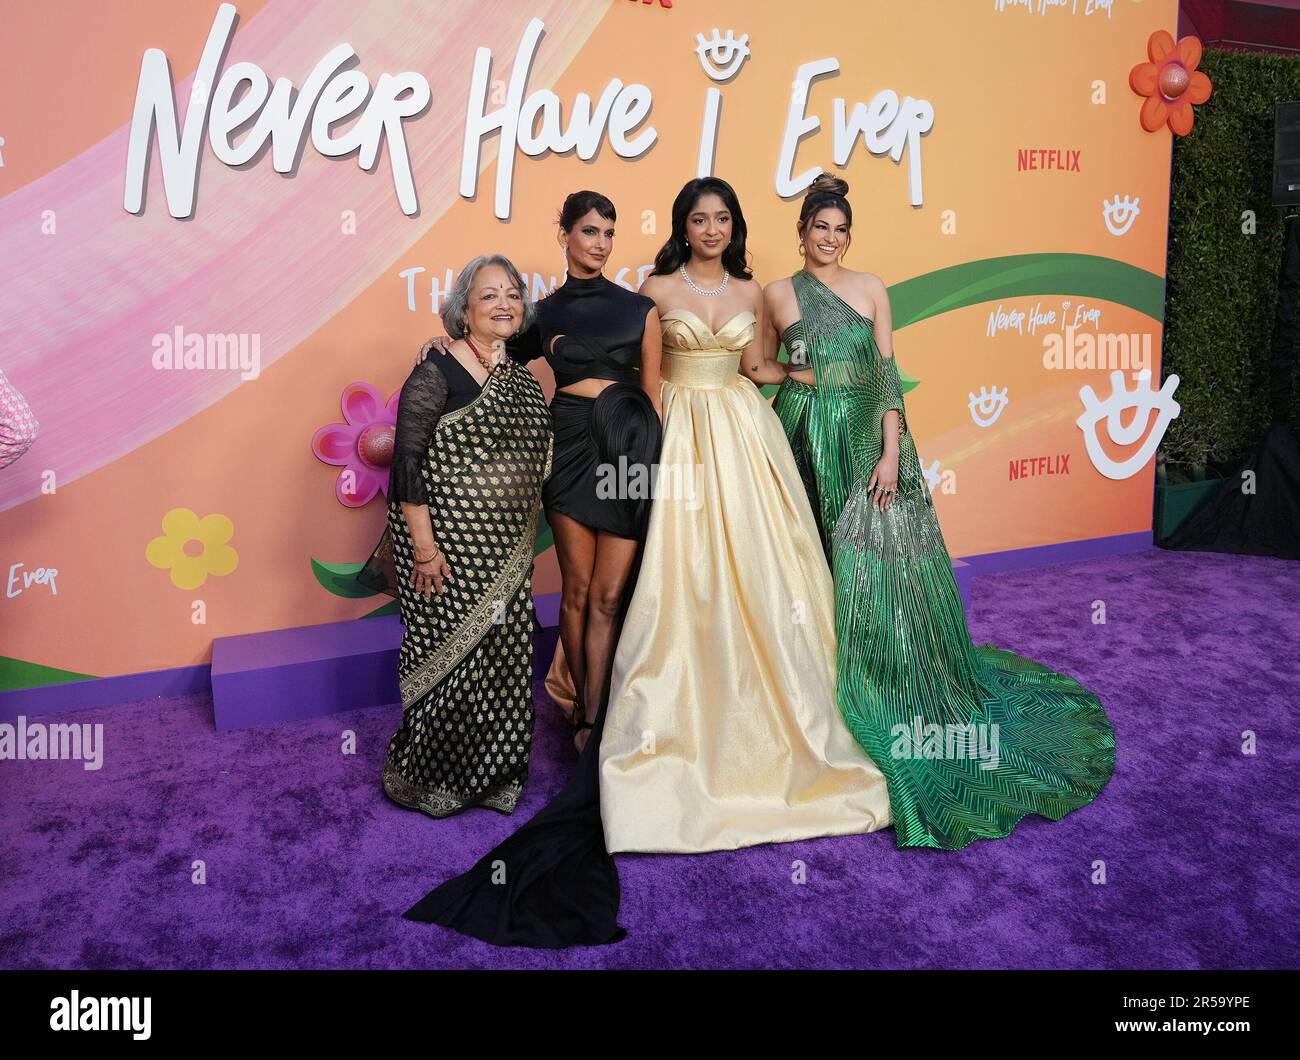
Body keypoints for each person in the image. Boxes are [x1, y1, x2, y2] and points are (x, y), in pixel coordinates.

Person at [766, 173, 1116, 850]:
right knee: (814, 565)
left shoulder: (870, 288)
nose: (830, 240)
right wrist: (805, 379)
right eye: (820, 228)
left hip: (870, 435)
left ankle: (896, 686)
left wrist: (892, 452)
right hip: (806, 435)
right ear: (802, 230)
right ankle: (819, 694)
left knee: (885, 572)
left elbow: (886, 375)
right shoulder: (776, 295)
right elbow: (759, 365)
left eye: (841, 230)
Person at [597, 176, 891, 854]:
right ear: (683, 225)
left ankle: (789, 729)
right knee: (679, 572)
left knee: (767, 567)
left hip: (738, 430)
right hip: (676, 429)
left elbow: (760, 365)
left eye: (722, 218)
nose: (711, 229)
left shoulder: (755, 293)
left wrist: (824, 379)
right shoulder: (655, 288)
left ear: (735, 226)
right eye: (699, 219)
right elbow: (635, 372)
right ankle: (669, 725)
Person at [401, 192, 661, 947]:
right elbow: (484, 360)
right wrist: (435, 350)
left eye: (611, 231)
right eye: (589, 230)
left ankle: (607, 716)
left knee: (616, 593)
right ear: (565, 236)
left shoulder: (639, 306)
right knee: (579, 594)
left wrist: (665, 472)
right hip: (572, 445)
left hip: (632, 448)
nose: (601, 242)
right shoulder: (540, 312)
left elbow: (656, 393)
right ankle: (583, 718)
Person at [358, 255, 552, 819]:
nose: (504, 304)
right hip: (443, 550)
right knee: (448, 659)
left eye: (512, 293)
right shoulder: (435, 372)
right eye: (488, 295)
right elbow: (408, 464)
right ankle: (432, 776)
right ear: (463, 309)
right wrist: (422, 547)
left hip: (507, 552)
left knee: (501, 656)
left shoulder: (517, 376)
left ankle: (493, 775)